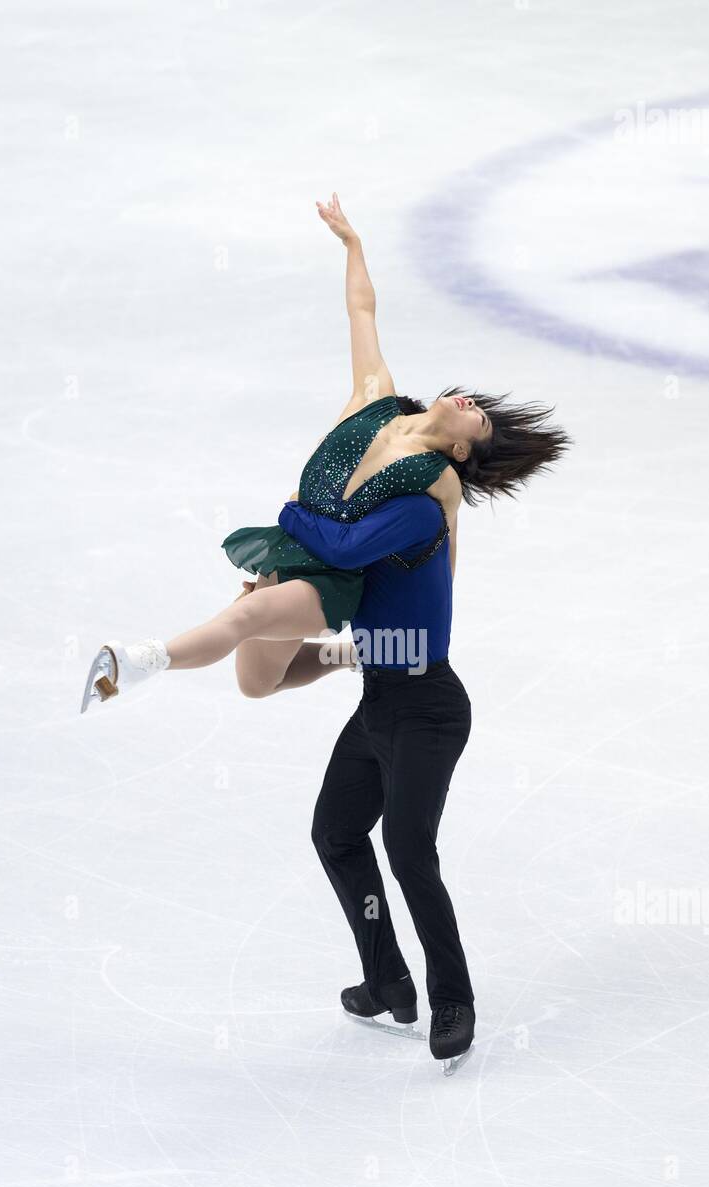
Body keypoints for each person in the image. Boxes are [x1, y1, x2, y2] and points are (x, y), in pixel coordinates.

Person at [80, 194, 568, 714]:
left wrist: (421, 624)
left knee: (242, 619)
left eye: (480, 418)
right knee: (256, 683)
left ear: (461, 447)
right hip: (283, 546)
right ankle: (351, 653)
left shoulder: (439, 476)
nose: (471, 401)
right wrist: (352, 244)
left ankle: (135, 663)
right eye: (477, 401)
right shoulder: (374, 396)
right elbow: (362, 310)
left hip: (329, 577)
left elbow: (444, 552)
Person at [274, 488, 477, 1072]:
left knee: (408, 850)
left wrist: (293, 509)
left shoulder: (415, 515)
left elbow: (341, 544)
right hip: (379, 704)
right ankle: (385, 976)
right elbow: (365, 644)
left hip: (429, 710)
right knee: (335, 832)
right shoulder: (372, 534)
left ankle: (453, 1001)